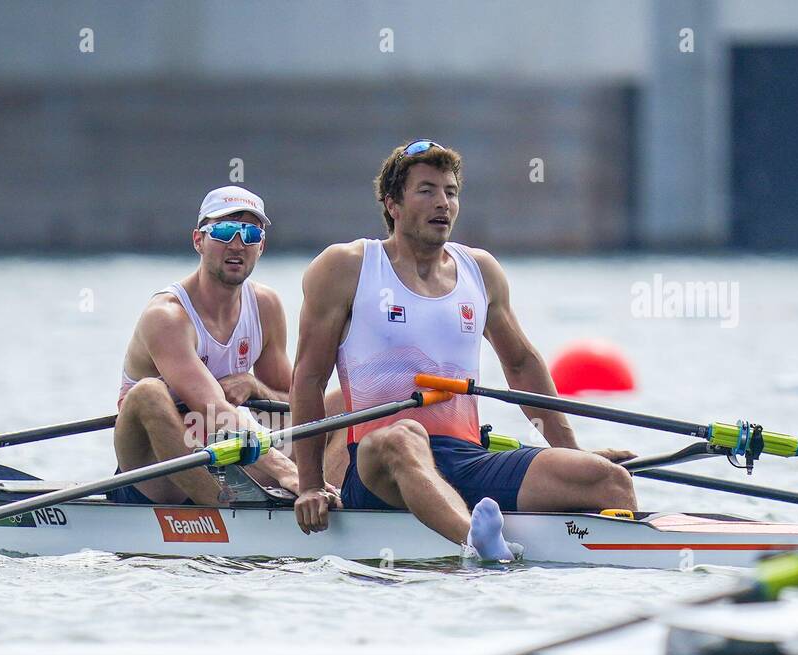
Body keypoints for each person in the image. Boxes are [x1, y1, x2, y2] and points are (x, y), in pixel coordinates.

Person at [290, 140, 636, 559]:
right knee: (405, 435)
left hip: (465, 458)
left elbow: (522, 365)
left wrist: (569, 452)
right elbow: (308, 378)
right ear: (392, 204)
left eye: (451, 192)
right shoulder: (346, 267)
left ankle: (618, 552)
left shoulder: (480, 270)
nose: (444, 203)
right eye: (427, 190)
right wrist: (309, 485)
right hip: (377, 463)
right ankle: (478, 543)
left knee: (608, 480)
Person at [112, 186, 310, 505]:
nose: (237, 244)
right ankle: (224, 510)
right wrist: (285, 470)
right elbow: (213, 409)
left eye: (249, 233)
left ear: (261, 246)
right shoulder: (167, 316)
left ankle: (331, 499)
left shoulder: (265, 305)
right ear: (198, 241)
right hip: (152, 467)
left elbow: (292, 402)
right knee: (148, 393)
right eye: (224, 230)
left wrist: (255, 386)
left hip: (219, 452)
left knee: (336, 403)